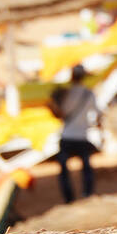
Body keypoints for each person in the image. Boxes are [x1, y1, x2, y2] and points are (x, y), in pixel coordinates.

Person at [50, 65, 101, 204]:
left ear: (72, 77)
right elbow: (98, 115)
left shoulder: (64, 93)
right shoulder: (89, 94)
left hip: (66, 136)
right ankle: (87, 194)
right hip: (82, 136)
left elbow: (58, 114)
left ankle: (69, 199)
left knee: (64, 171)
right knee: (86, 168)